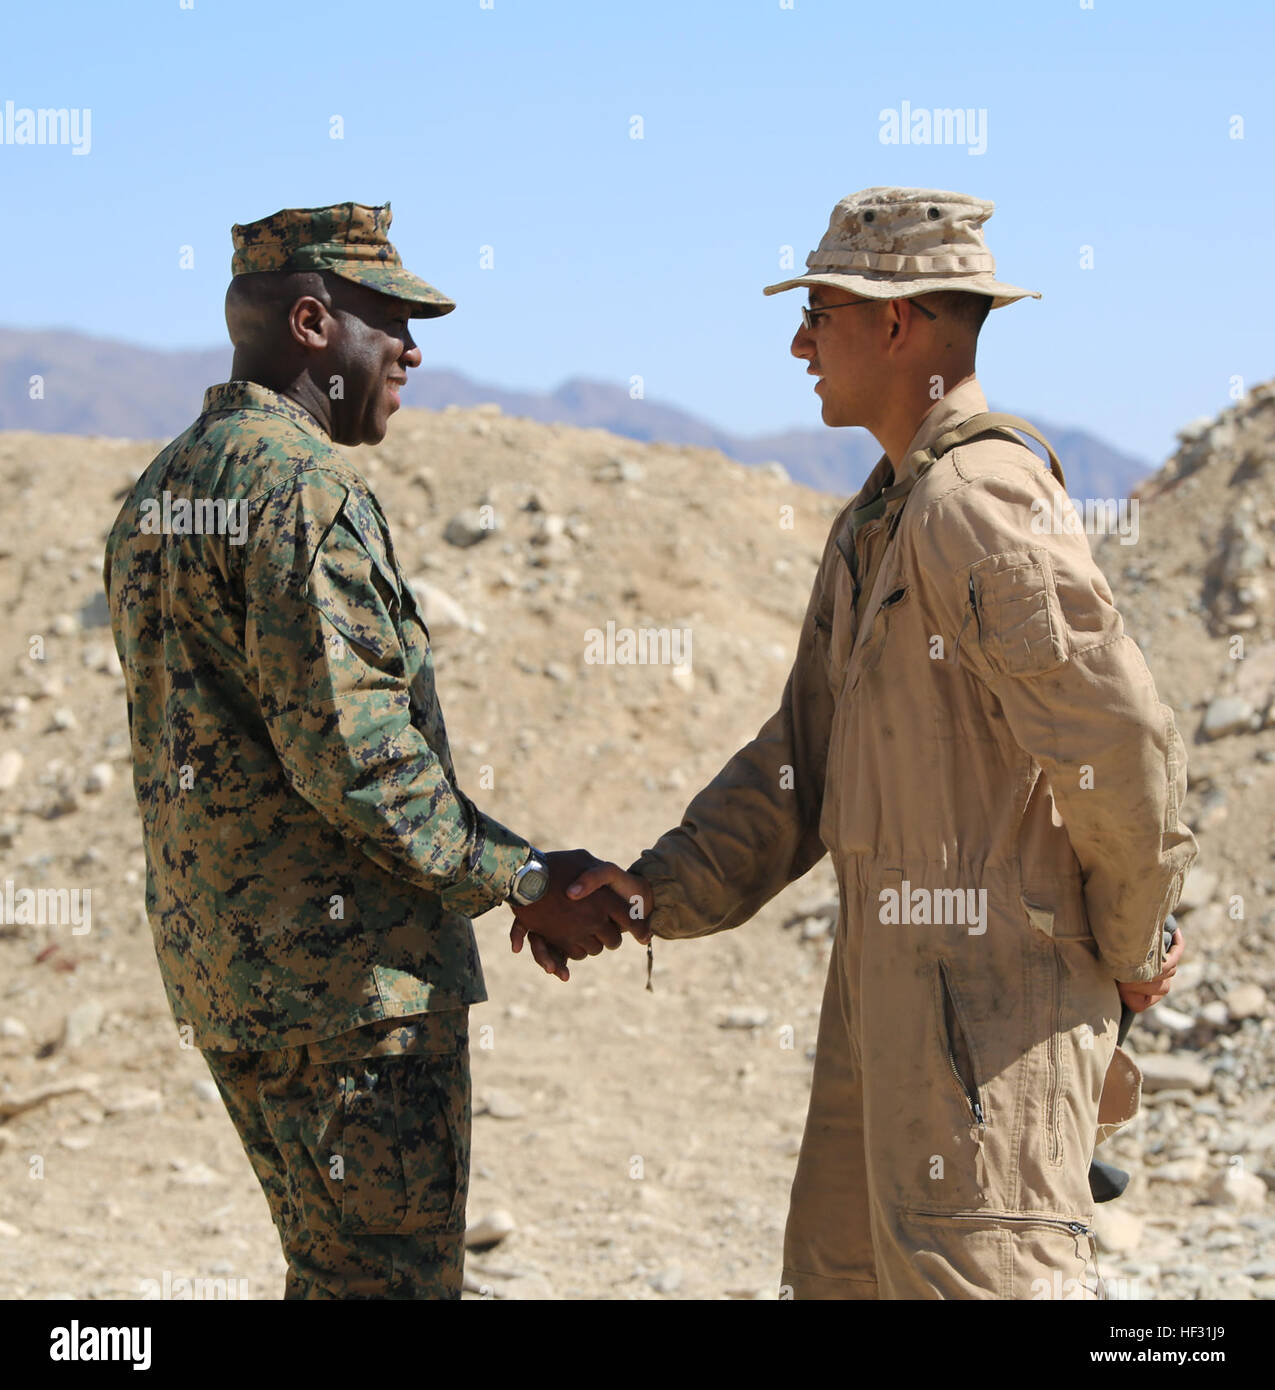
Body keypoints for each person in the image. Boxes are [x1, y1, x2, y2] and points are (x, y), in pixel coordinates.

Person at [554, 187, 1198, 1299]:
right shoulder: (881, 517)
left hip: (987, 1037)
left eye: (820, 312)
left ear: (897, 324)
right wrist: (651, 891)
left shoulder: (979, 505)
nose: (799, 341)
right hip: (887, 1022)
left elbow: (1120, 741)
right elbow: (798, 760)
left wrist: (1133, 948)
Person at [103, 201, 640, 1300]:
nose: (412, 348)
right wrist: (529, 879)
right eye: (388, 320)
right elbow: (360, 760)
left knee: (335, 1277)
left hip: (236, 985)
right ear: (312, 323)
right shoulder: (305, 490)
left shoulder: (166, 488)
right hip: (354, 1000)